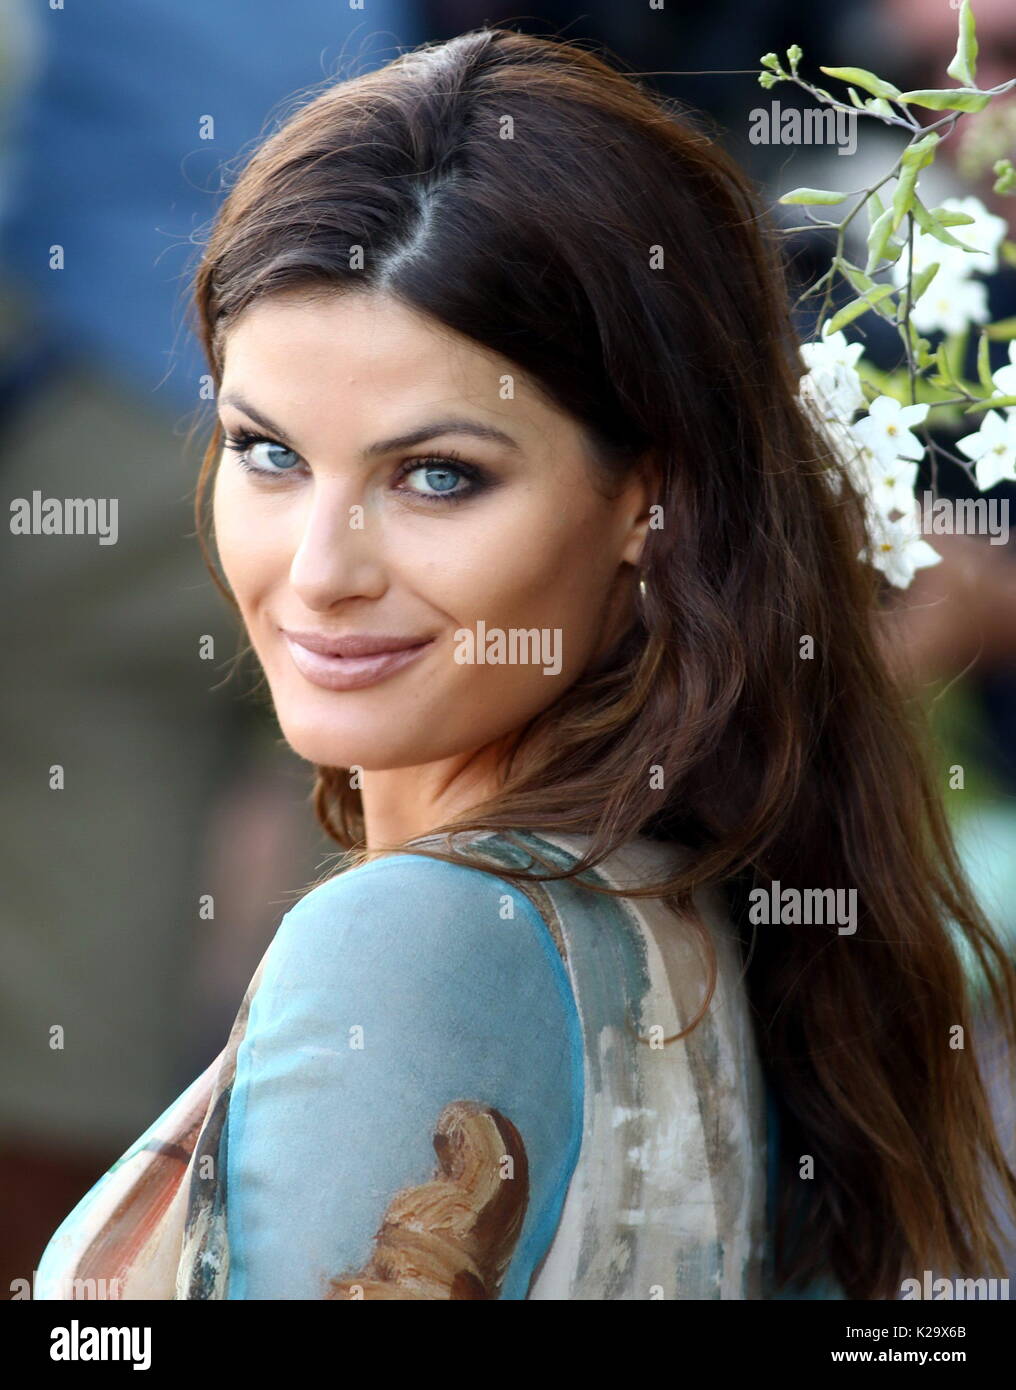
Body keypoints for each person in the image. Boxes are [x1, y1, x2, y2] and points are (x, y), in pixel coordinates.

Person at [32, 28, 1016, 1301]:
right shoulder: (692, 889)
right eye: (268, 452)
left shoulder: (418, 941)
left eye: (437, 475)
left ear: (645, 501)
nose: (321, 567)